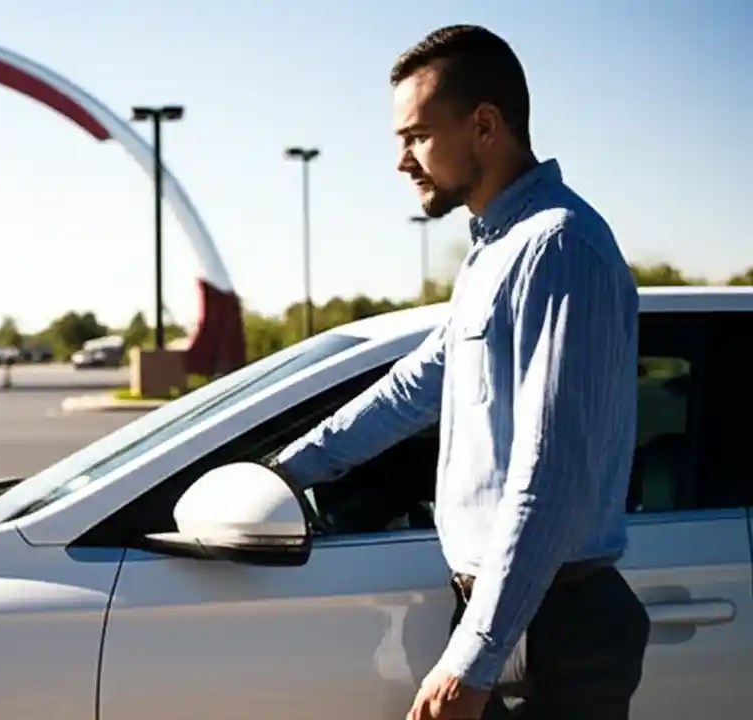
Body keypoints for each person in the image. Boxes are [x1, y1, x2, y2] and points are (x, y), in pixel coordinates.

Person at [269, 24, 650, 719]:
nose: (401, 161)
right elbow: (414, 387)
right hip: (514, 619)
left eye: (415, 135)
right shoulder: (497, 251)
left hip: (551, 631)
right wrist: (284, 471)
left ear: (484, 125)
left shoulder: (558, 247)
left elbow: (551, 474)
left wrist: (474, 658)